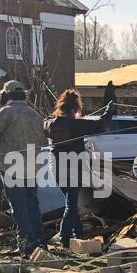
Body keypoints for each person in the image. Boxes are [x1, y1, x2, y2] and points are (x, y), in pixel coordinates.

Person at [44, 88, 115, 247]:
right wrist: (110, 109)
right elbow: (101, 125)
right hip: (73, 166)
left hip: (55, 166)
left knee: (71, 201)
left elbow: (44, 127)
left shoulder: (48, 122)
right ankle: (65, 237)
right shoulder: (76, 124)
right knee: (71, 203)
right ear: (74, 108)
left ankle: (78, 231)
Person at [0, 80, 48, 258]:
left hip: (12, 167)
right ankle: (40, 243)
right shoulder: (35, 115)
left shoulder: (6, 112)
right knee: (32, 204)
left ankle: (27, 246)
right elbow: (43, 141)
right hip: (32, 167)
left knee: (19, 206)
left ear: (6, 95)